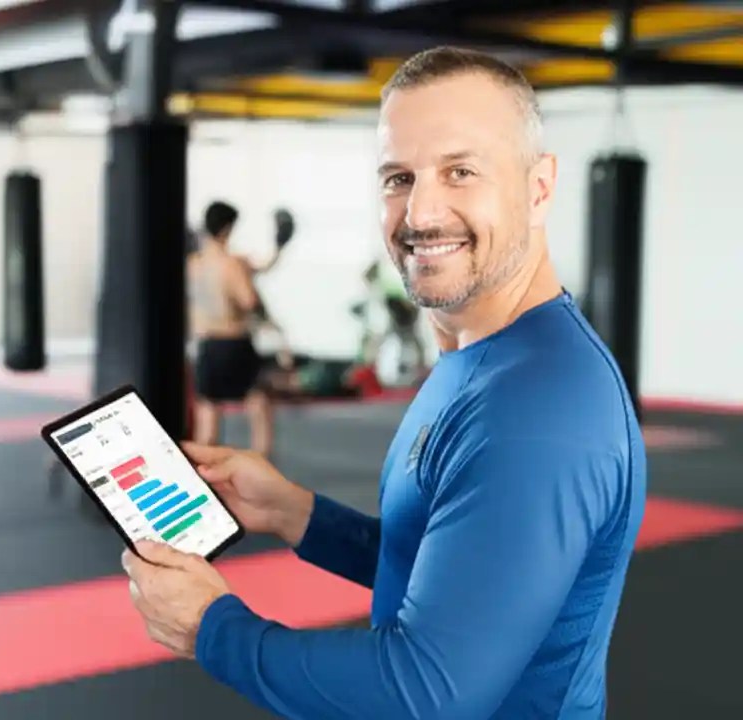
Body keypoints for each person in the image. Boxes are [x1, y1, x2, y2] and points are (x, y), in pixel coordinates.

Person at [122, 46, 647, 719]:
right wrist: (294, 513)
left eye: (460, 171)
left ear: (538, 187)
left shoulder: (538, 406)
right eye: (398, 178)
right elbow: (451, 577)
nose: (421, 212)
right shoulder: (484, 355)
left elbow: (423, 693)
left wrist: (213, 629)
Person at [187, 201, 273, 455]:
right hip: (234, 342)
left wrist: (278, 249)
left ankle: (203, 473)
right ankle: (262, 465)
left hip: (206, 345)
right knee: (258, 404)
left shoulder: (193, 264)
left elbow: (262, 266)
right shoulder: (232, 264)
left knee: (208, 411)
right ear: (227, 229)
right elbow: (248, 300)